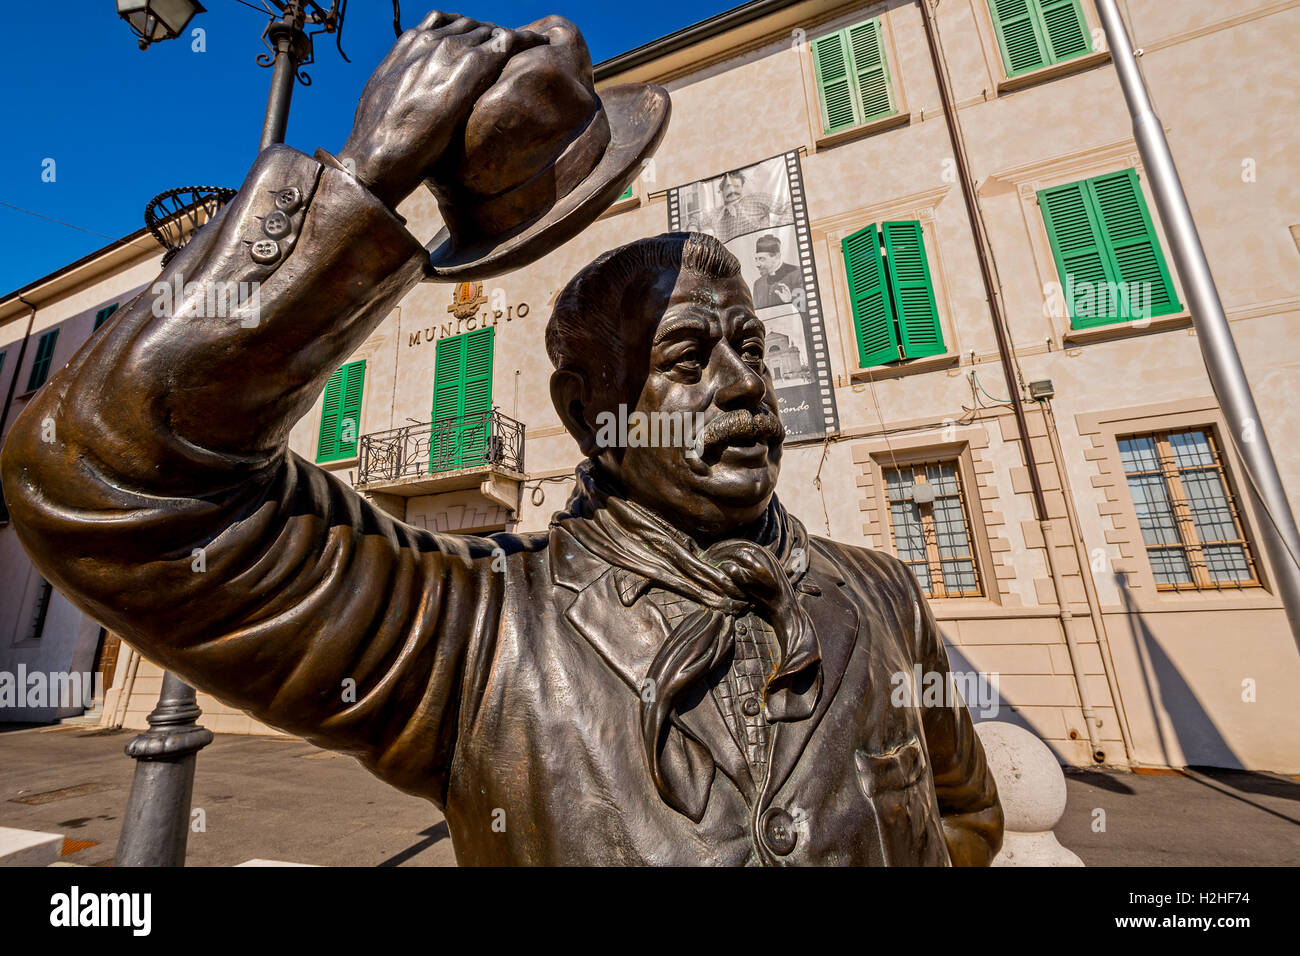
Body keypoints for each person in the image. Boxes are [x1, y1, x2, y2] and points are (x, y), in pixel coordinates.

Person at [0, 11, 1001, 866]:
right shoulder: (474, 632)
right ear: (588, 409)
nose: (742, 384)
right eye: (688, 354)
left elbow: (968, 819)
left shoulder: (880, 595)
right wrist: (366, 181)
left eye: (752, 344)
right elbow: (99, 483)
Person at [698, 169, 789, 242]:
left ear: (742, 187)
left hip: (760, 253)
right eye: (728, 187)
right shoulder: (715, 213)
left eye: (737, 187)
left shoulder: (756, 198)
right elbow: (695, 221)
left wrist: (778, 230)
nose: (733, 191)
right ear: (721, 191)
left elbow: (788, 206)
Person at [751, 234, 802, 309]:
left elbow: (808, 310)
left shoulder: (798, 274)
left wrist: (789, 302)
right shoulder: (758, 284)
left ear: (777, 256)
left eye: (762, 259)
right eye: (756, 259)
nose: (757, 264)